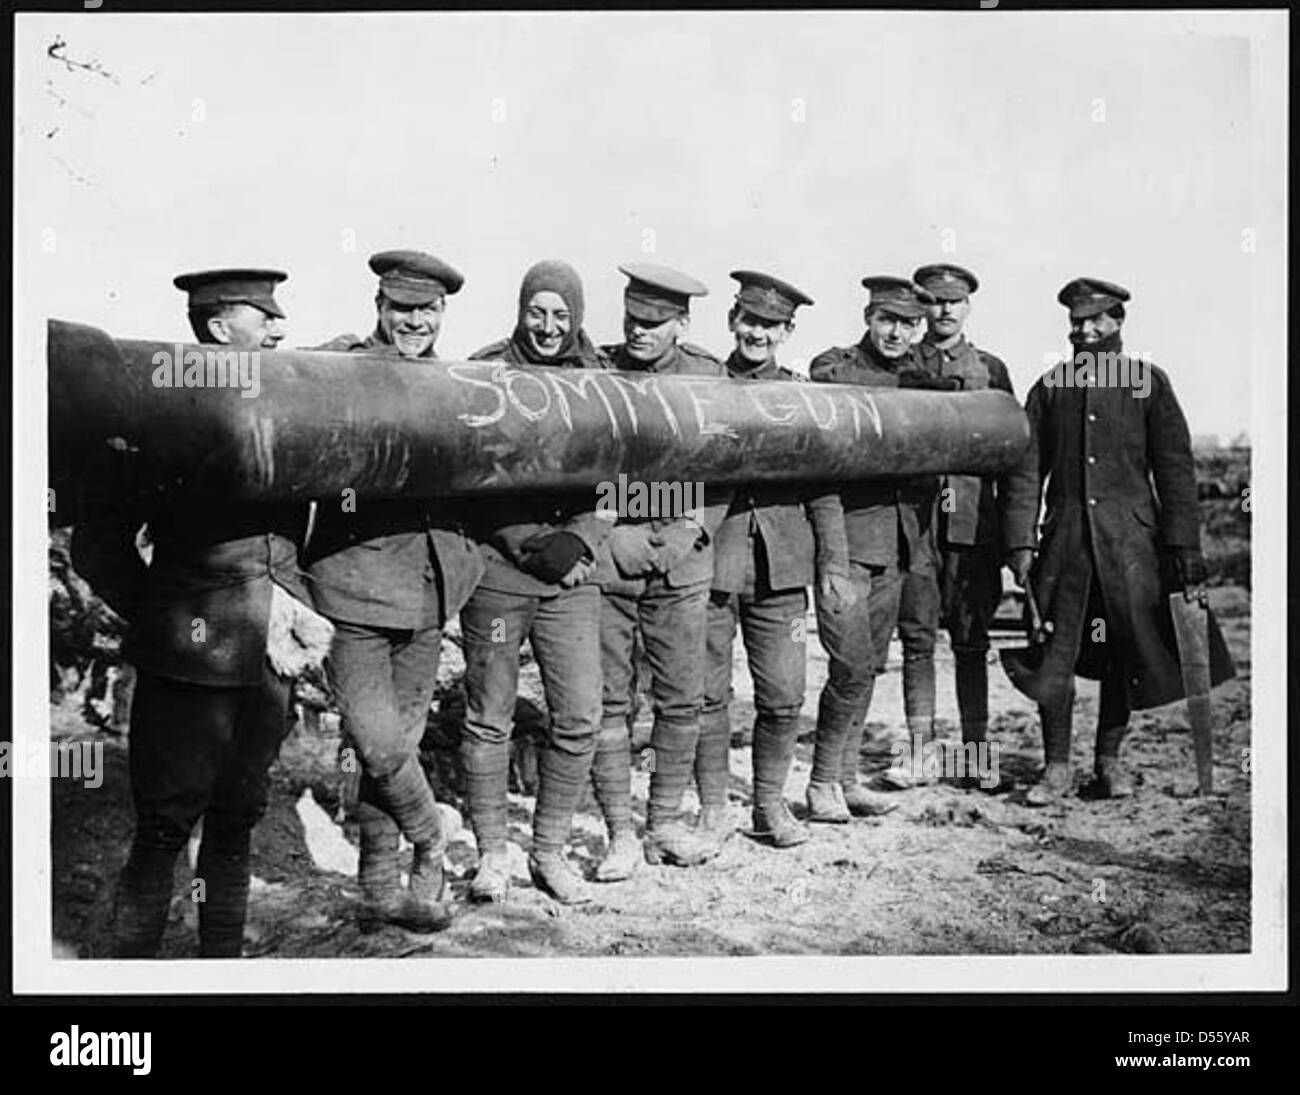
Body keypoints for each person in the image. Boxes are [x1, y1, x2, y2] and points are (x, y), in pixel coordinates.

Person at [72, 268, 322, 958]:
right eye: (262, 315)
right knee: (163, 826)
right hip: (190, 659)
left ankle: (221, 965)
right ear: (217, 329)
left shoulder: (288, 407)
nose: (279, 327)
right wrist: (165, 612)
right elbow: (99, 540)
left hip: (267, 657)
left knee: (237, 818)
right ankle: (129, 976)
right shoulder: (165, 418)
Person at [1000, 277, 1235, 805]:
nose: (1085, 330)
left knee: (1120, 656)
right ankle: (1056, 769)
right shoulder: (1050, 387)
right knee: (1051, 652)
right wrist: (1019, 545)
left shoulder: (1147, 382)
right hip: (1063, 549)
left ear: (1118, 323)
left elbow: (1175, 470)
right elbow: (1023, 470)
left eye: (1096, 320)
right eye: (1077, 321)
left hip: (1131, 551)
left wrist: (1184, 550)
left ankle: (1109, 764)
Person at [307, 250, 483, 932]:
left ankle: (379, 888)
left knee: (399, 744)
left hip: (428, 591)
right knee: (378, 744)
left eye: (428, 310)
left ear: (443, 313)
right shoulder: (342, 368)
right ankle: (433, 839)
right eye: (402, 308)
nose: (415, 320)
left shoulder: (458, 382)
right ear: (379, 307)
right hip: (353, 589)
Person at [458, 260, 612, 904]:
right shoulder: (483, 371)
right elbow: (467, 477)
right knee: (489, 716)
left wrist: (580, 539)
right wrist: (530, 544)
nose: (548, 328)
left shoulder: (603, 381)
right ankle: (493, 852)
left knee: (580, 716)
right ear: (520, 311)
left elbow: (624, 476)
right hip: (499, 576)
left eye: (561, 315)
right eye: (537, 313)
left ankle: (548, 851)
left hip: (573, 576)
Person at [700, 270, 853, 848]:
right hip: (710, 564)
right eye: (749, 321)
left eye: (770, 325)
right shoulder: (704, 387)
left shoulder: (802, 395)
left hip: (782, 571)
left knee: (785, 694)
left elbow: (825, 487)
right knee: (709, 695)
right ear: (732, 320)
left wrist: (832, 564)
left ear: (787, 331)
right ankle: (714, 811)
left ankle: (768, 807)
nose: (756, 333)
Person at [592, 263, 731, 875]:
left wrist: (691, 529)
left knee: (682, 700)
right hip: (611, 562)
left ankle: (666, 823)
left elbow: (733, 462)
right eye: (632, 321)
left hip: (683, 566)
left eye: (654, 323)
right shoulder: (598, 371)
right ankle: (621, 831)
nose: (640, 333)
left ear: (682, 323)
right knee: (609, 702)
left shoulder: (708, 377)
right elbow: (578, 457)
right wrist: (610, 534)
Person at [805, 276, 944, 820]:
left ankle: (844, 780)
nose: (895, 332)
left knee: (869, 666)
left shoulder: (921, 379)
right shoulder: (836, 370)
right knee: (849, 665)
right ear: (868, 317)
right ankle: (821, 783)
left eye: (908, 324)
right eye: (886, 320)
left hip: (897, 544)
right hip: (848, 541)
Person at [895, 263, 1018, 784]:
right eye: (935, 301)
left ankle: (975, 755)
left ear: (968, 307)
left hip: (971, 528)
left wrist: (1015, 540)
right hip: (916, 525)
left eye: (954, 301)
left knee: (971, 641)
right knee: (917, 640)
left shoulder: (991, 369)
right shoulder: (900, 365)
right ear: (922, 307)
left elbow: (1013, 457)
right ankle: (919, 753)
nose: (944, 310)